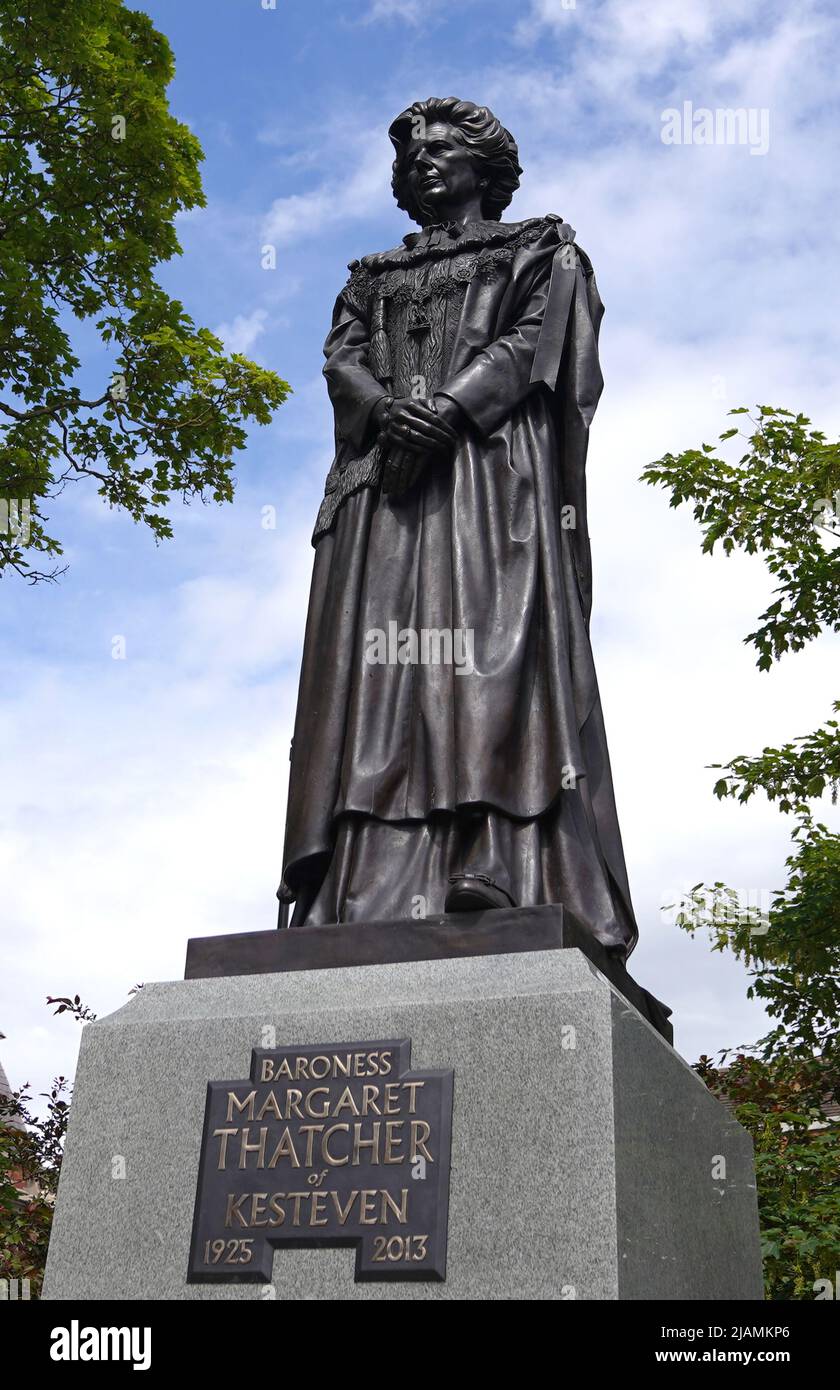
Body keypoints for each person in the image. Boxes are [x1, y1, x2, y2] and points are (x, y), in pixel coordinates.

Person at [280, 96, 638, 958]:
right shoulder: (368, 276)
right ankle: (357, 884)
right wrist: (389, 416)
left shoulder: (540, 250)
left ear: (487, 166)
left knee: (485, 661)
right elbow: (343, 362)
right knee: (375, 684)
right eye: (411, 156)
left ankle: (492, 861)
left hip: (485, 484)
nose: (423, 162)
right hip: (381, 494)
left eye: (443, 148)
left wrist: (445, 411)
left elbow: (535, 349)